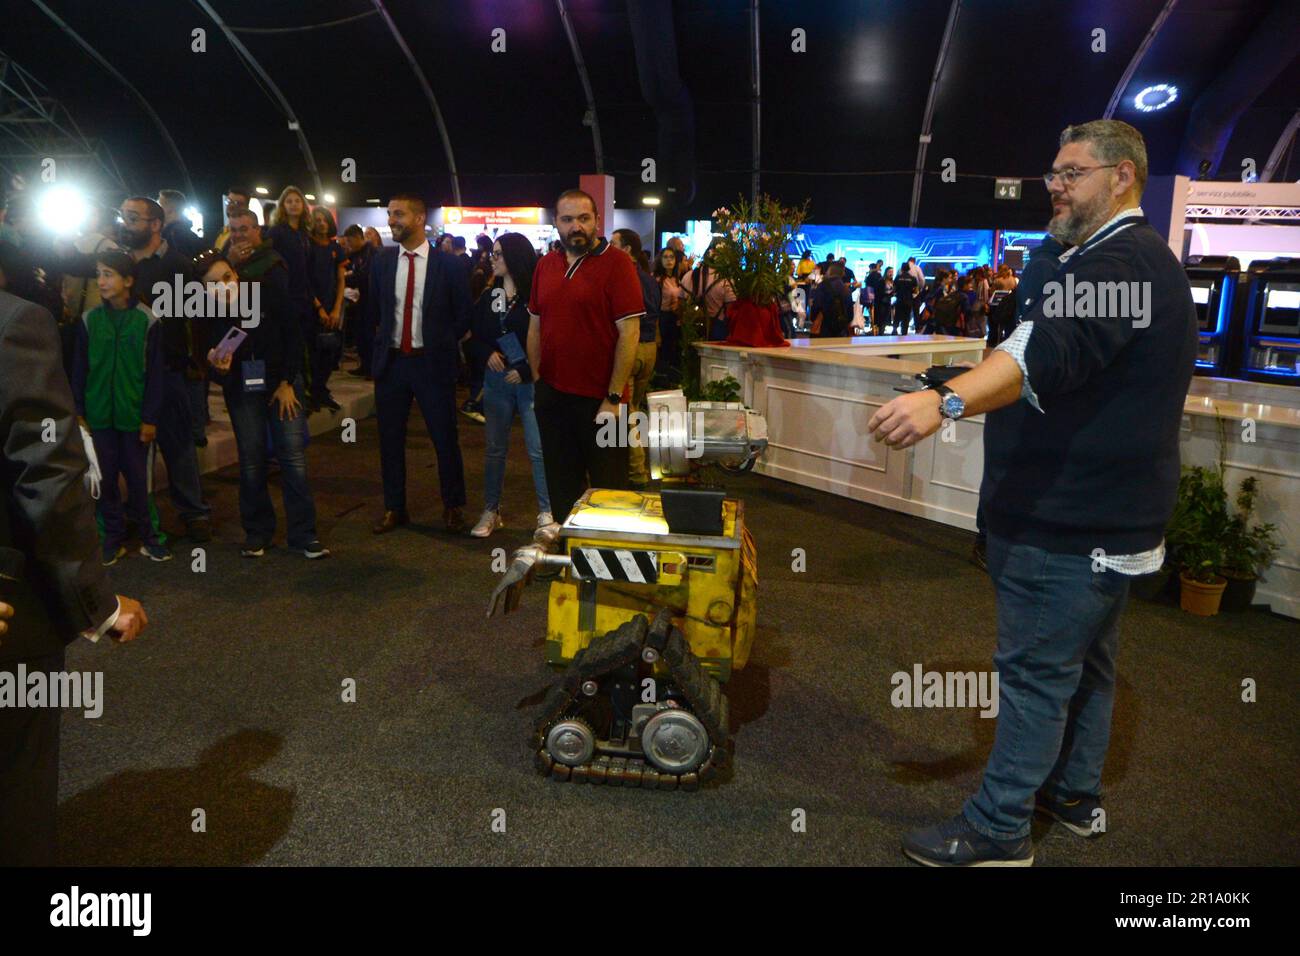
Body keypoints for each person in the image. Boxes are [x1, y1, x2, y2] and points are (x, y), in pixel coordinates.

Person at [869, 119, 1197, 866]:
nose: (1054, 183)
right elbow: (1027, 334)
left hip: (1071, 520)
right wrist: (950, 380)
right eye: (1052, 170)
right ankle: (1074, 798)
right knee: (1084, 665)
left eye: (1072, 172)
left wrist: (944, 404)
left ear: (1121, 177)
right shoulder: (1090, 258)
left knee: (1034, 678)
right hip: (1105, 520)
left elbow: (1044, 353)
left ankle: (999, 828)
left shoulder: (1125, 269)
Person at [0, 285, 148, 866]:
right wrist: (100, 605)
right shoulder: (15, 323)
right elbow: (49, 480)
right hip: (14, 618)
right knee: (16, 794)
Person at [196, 243, 328, 559]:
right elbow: (210, 366)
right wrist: (220, 369)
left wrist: (286, 382)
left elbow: (295, 337)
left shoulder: (266, 291)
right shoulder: (207, 315)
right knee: (251, 460)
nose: (224, 287)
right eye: (213, 285)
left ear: (235, 272)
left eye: (226, 277)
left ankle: (304, 535)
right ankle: (258, 532)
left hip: (282, 383)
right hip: (242, 390)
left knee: (292, 457)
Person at [526, 189, 644, 522]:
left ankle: (610, 566)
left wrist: (613, 396)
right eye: (567, 219)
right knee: (562, 491)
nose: (576, 226)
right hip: (554, 398)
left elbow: (629, 334)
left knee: (612, 495)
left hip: (605, 402)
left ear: (596, 221)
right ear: (556, 223)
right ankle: (572, 561)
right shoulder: (545, 265)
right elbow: (535, 326)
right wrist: (538, 381)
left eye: (583, 218)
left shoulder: (618, 264)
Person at [366, 193, 471, 535]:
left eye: (398, 214)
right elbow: (373, 312)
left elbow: (463, 315)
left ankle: (453, 506)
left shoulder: (451, 265)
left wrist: (440, 343)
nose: (391, 220)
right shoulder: (381, 261)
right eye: (389, 214)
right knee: (390, 440)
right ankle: (395, 507)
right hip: (393, 364)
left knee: (444, 439)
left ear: (419, 218)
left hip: (432, 364)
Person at [116, 196, 213, 542]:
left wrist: (196, 363)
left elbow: (198, 318)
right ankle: (138, 516)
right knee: (133, 448)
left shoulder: (178, 264)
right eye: (124, 217)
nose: (126, 224)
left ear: (155, 225)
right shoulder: (120, 265)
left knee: (179, 446)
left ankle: (194, 513)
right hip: (129, 374)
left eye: (133, 218)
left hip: (170, 371)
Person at [71, 250, 169, 564]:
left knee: (141, 483)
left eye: (109, 274)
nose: (101, 280)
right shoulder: (89, 321)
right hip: (99, 418)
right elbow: (79, 369)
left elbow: (156, 374)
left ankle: (152, 537)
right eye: (99, 273)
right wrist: (79, 411)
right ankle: (111, 539)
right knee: (107, 481)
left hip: (135, 417)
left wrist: (150, 417)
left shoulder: (147, 320)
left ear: (128, 281)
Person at [467, 233, 553, 538]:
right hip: (497, 381)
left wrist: (528, 370)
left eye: (499, 253)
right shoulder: (490, 297)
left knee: (538, 449)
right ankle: (491, 510)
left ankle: (546, 512)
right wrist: (486, 353)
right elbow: (474, 337)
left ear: (515, 256)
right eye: (493, 252)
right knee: (494, 449)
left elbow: (549, 340)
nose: (493, 258)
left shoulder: (535, 296)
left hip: (529, 383)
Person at [611, 229, 661, 488]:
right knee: (634, 410)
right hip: (649, 348)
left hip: (632, 347)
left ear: (627, 248)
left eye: (613, 243)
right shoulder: (649, 278)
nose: (609, 247)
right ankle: (633, 466)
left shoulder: (624, 276)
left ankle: (636, 472)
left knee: (627, 413)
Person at [306, 207, 347, 411]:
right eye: (317, 220)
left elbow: (341, 279)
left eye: (324, 220)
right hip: (311, 307)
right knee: (313, 351)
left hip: (333, 307)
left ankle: (321, 390)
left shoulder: (335, 247)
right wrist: (319, 308)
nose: (321, 223)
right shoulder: (307, 246)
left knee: (331, 351)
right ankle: (313, 392)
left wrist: (337, 308)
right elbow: (304, 280)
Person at [342, 224, 376, 378]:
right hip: (362, 299)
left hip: (372, 300)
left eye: (349, 241)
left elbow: (363, 277)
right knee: (361, 334)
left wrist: (346, 278)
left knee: (369, 335)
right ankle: (364, 365)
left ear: (357, 238)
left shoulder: (370, 253)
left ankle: (371, 367)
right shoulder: (356, 255)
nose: (348, 245)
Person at [157, 190, 204, 259]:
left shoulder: (174, 235)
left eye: (159, 206)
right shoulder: (187, 234)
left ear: (170, 211)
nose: (156, 210)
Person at [811, 261, 853, 337]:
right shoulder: (846, 289)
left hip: (824, 328)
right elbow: (850, 314)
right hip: (841, 330)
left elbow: (816, 306)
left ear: (830, 271)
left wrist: (813, 318)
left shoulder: (823, 286)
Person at [213, 186, 252, 252]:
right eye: (229, 201)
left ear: (247, 207)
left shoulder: (247, 233)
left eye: (237, 203)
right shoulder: (222, 231)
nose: (231, 205)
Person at [893, 261, 918, 334]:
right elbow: (916, 291)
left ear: (902, 268)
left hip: (899, 300)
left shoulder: (898, 278)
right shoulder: (913, 278)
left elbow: (894, 289)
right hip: (908, 300)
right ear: (909, 269)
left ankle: (894, 329)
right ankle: (904, 332)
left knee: (897, 315)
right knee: (906, 317)